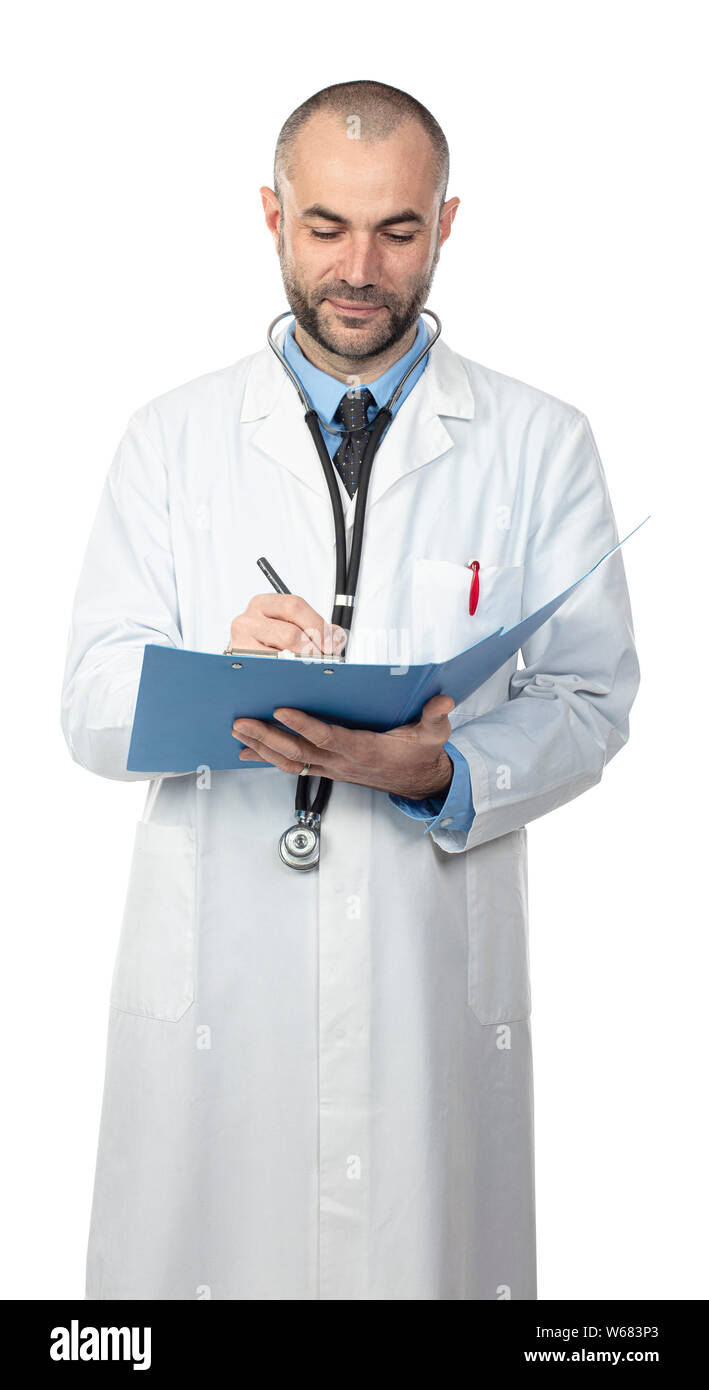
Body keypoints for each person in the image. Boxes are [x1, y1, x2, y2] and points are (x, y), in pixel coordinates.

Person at [61, 78, 640, 1301]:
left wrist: (444, 770)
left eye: (398, 229)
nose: (359, 267)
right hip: (225, 987)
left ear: (447, 222)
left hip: (424, 981)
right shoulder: (172, 439)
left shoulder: (538, 439)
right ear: (271, 216)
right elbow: (93, 700)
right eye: (325, 227)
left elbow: (590, 698)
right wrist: (220, 676)